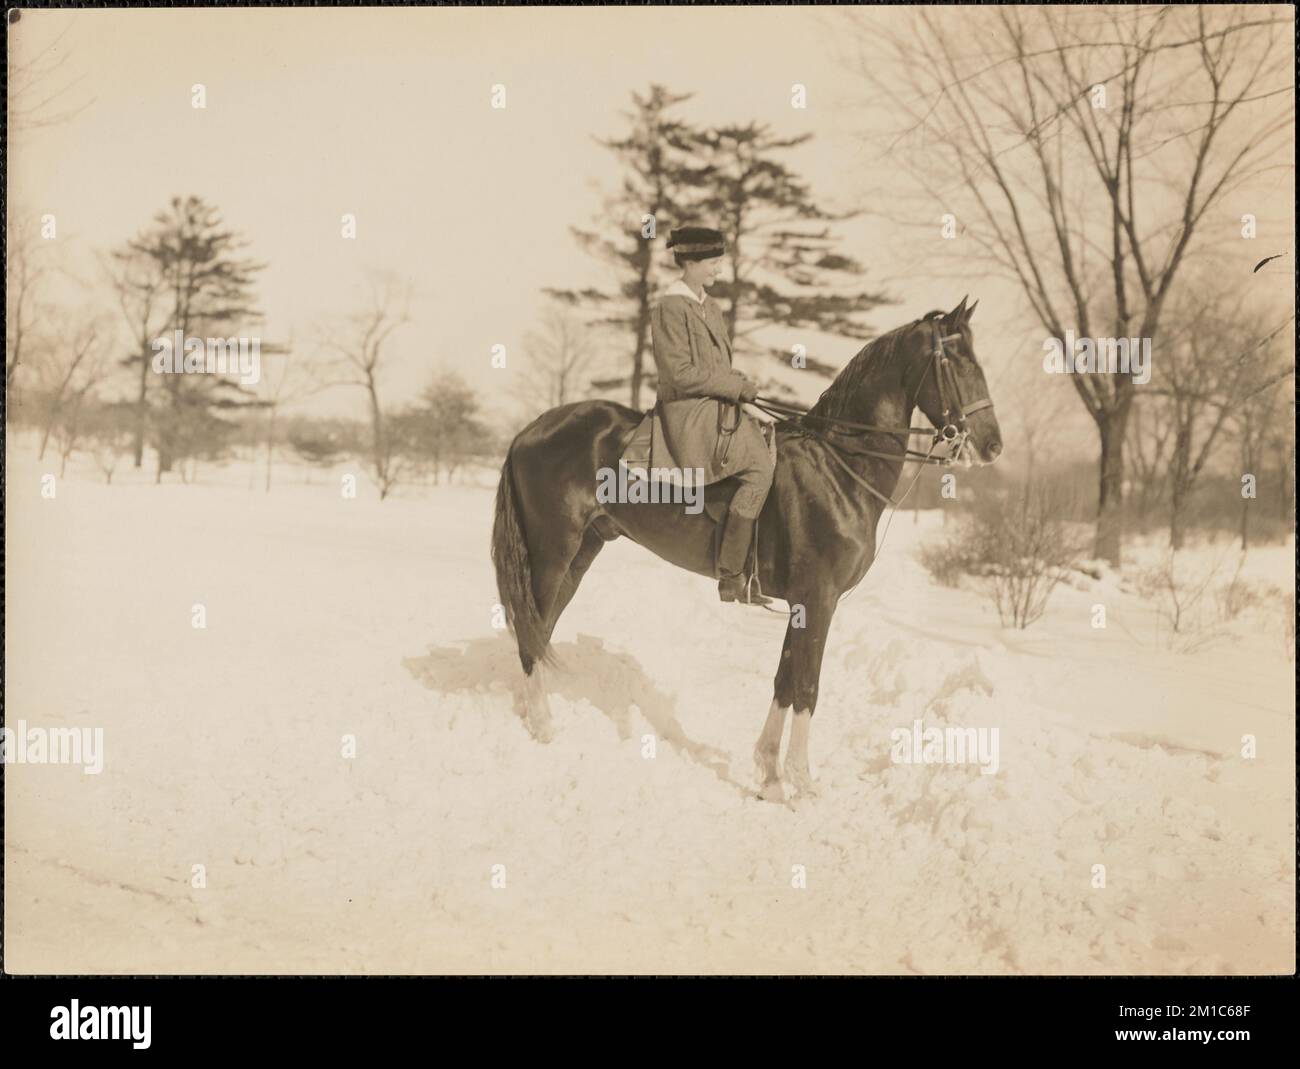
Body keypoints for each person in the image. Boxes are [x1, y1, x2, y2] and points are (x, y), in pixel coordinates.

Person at [650, 226, 775, 605]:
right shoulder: (670, 307)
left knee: (775, 439)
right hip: (687, 409)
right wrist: (733, 386)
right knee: (759, 469)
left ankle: (757, 561)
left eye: (720, 261)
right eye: (713, 262)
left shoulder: (711, 306)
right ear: (689, 262)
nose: (719, 269)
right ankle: (731, 575)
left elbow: (717, 367)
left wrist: (739, 382)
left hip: (715, 403)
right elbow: (680, 374)